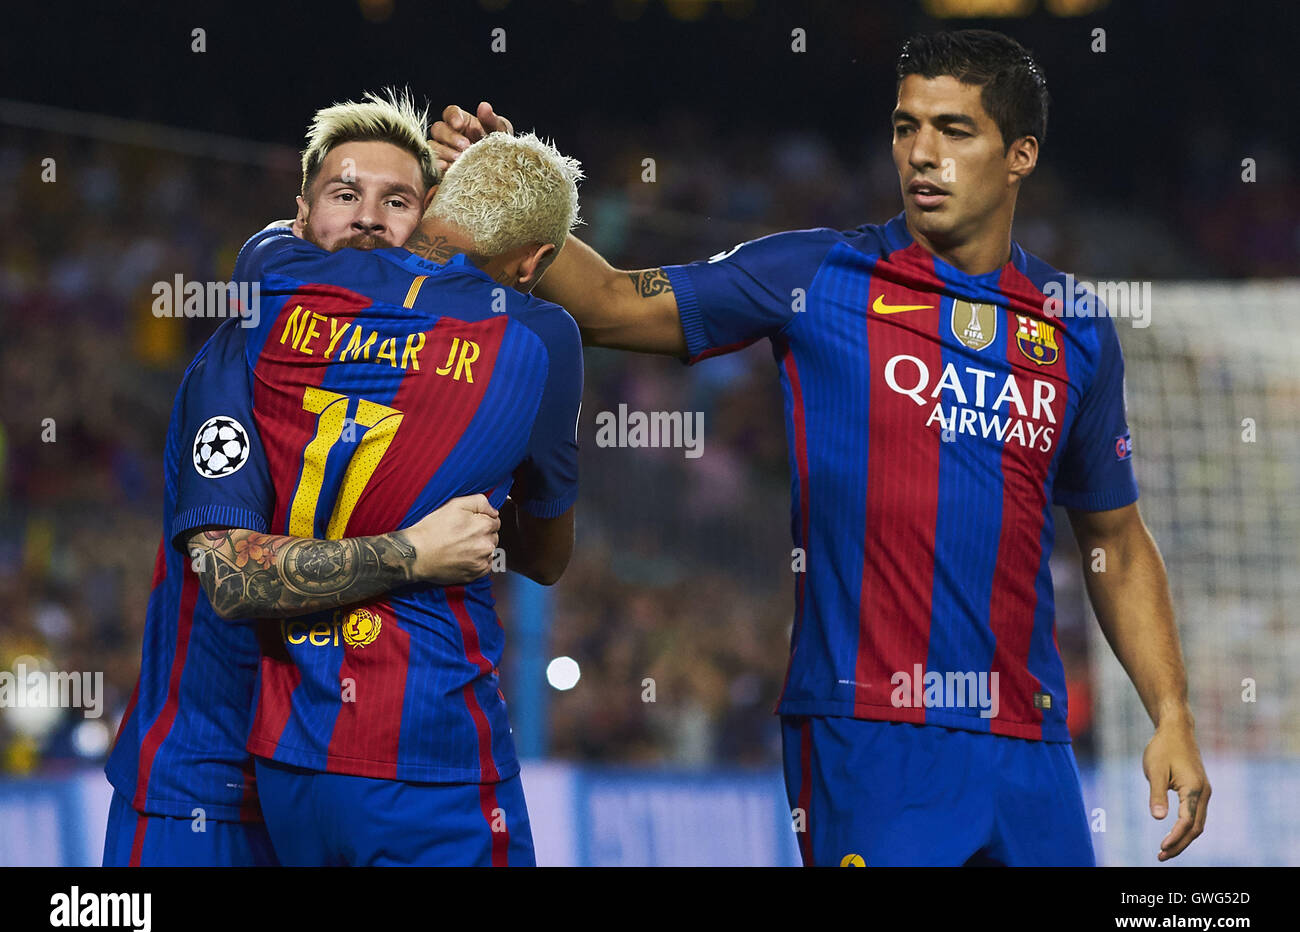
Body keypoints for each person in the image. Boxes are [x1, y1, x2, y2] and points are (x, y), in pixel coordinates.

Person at [433, 29, 1211, 865]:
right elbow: (611, 304)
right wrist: (503, 196)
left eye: (954, 130)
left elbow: (1115, 538)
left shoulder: (1073, 327)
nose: (922, 154)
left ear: (1020, 154)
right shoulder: (817, 275)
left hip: (1031, 745)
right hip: (868, 735)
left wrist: (1170, 712)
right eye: (906, 127)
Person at [104, 92, 502, 866]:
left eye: (397, 202)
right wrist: (412, 554)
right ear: (299, 219)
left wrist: (503, 187)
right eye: (344, 195)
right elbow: (230, 573)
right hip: (207, 796)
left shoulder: (432, 387)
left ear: (428, 230)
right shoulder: (238, 362)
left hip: (339, 795)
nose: (368, 219)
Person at [226, 124, 583, 867]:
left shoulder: (278, 277)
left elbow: (269, 239)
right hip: (432, 752)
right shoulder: (542, 337)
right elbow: (547, 558)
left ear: (432, 203)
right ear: (536, 261)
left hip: (292, 751)